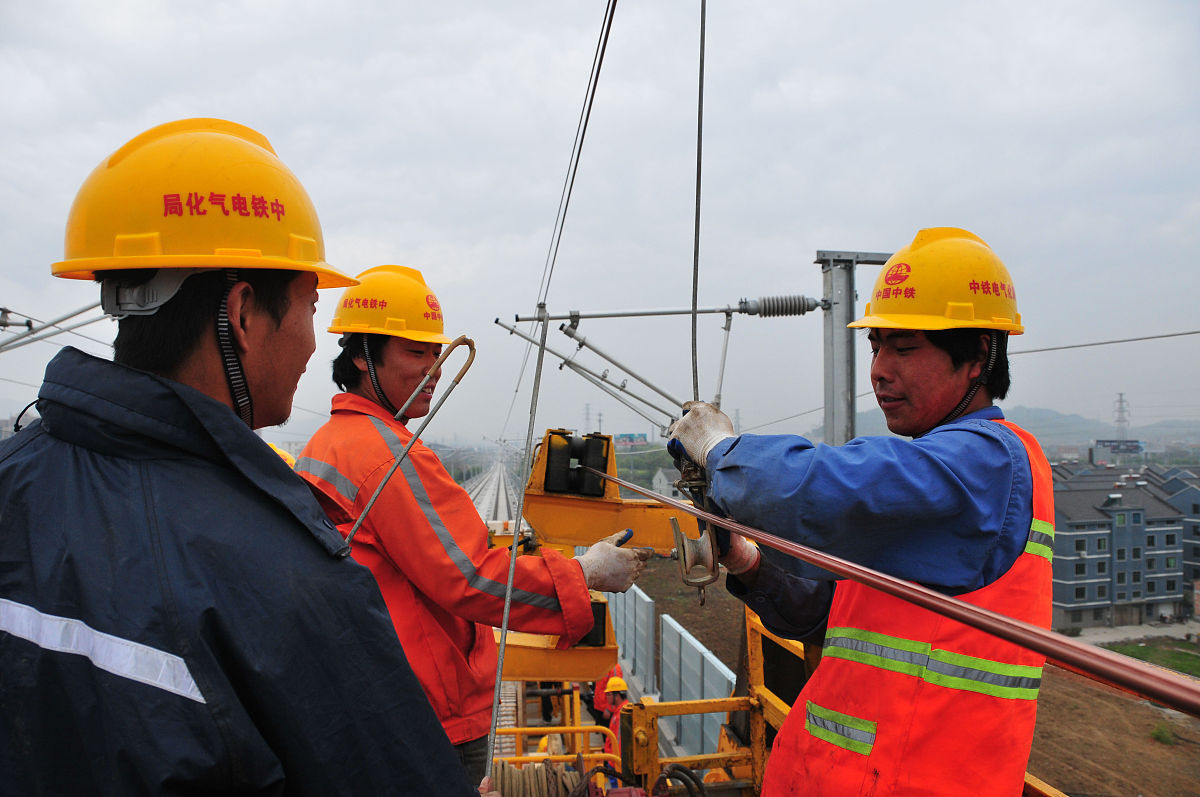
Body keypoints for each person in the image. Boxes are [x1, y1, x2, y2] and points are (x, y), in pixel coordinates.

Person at [0, 119, 487, 796]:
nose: (317, 346)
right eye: (311, 308)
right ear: (243, 313)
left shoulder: (13, 481)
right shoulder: (282, 581)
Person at [669, 228, 1053, 796]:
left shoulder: (987, 463)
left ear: (976, 356)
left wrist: (722, 452)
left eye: (903, 347)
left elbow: (823, 489)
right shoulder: (932, 487)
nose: (878, 369)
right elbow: (839, 615)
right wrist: (749, 562)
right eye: (875, 346)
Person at [296, 264, 652, 784]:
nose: (434, 368)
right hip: (430, 710)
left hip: (374, 691)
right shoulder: (388, 457)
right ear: (362, 356)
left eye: (436, 353)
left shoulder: (325, 446)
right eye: (416, 352)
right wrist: (585, 575)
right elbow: (474, 577)